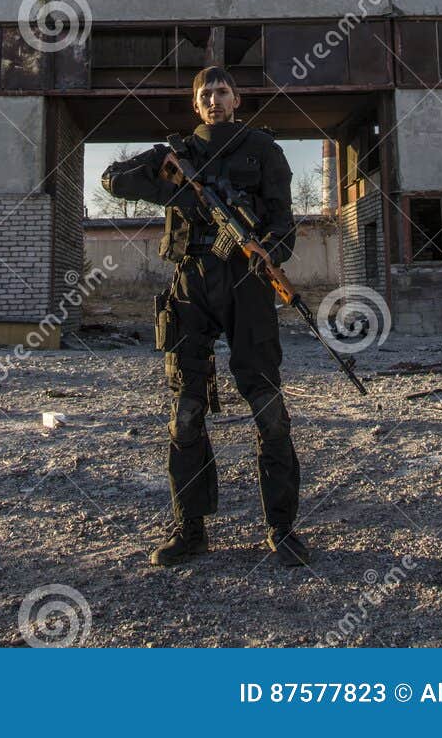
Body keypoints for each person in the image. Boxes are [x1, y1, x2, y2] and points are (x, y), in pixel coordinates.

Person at [101, 65, 310, 568]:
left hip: (248, 283)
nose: (214, 100)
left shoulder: (264, 150)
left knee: (270, 412)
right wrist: (164, 167)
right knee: (186, 414)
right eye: (205, 94)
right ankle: (189, 529)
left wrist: (269, 251)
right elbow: (113, 181)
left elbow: (284, 221)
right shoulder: (179, 152)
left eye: (222, 92)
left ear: (237, 99)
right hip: (191, 283)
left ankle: (282, 530)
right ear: (195, 105)